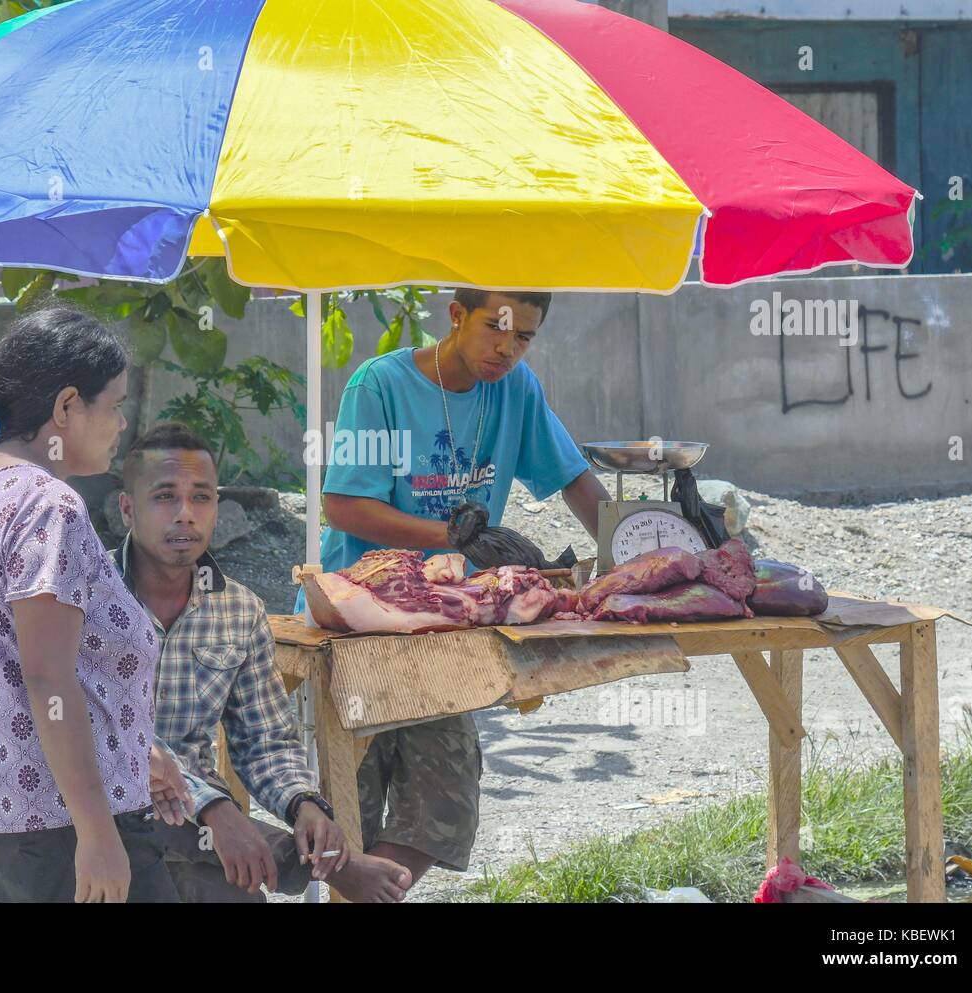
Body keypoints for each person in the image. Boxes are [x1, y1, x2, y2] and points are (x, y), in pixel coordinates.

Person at [292, 287, 610, 891]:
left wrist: (636, 552)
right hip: (363, 625)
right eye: (497, 328)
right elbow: (342, 505)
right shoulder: (378, 384)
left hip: (448, 621)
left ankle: (372, 893)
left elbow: (574, 479)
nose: (508, 349)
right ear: (456, 316)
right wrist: (452, 535)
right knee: (345, 805)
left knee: (443, 804)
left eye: (524, 337)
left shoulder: (516, 389)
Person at [0, 306, 197, 903]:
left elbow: (21, 669)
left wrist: (132, 750)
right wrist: (96, 830)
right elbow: (46, 678)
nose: (122, 421)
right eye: (112, 404)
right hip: (58, 828)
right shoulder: (47, 507)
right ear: (65, 408)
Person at [114, 422, 413, 903]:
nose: (185, 515)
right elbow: (95, 731)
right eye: (165, 496)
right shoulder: (87, 599)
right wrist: (216, 808)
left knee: (236, 887)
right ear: (128, 508)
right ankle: (335, 866)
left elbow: (264, 737)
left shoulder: (238, 610)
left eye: (202, 497)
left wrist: (303, 804)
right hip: (104, 809)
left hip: (198, 826)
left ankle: (312, 854)